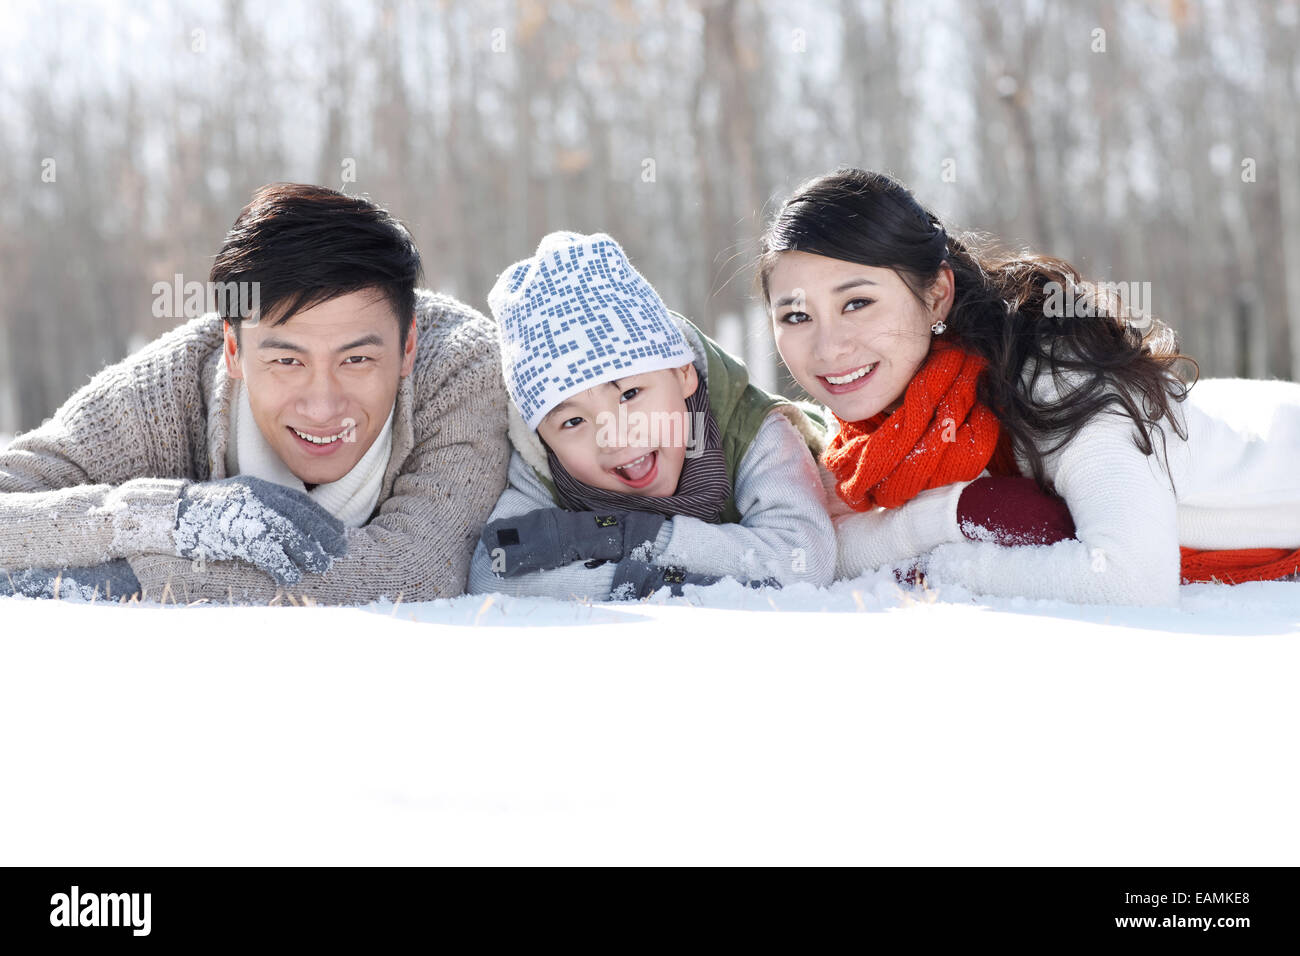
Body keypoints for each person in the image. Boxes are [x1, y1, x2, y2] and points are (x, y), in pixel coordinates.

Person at [759, 167, 1300, 606]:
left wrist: (946, 534)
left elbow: (1128, 581)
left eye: (858, 302)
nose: (829, 349)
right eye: (796, 316)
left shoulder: (1057, 381)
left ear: (937, 296)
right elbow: (830, 552)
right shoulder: (872, 437)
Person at [0, 183, 509, 604]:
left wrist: (132, 584)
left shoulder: (462, 369)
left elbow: (414, 575)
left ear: (408, 345)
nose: (323, 406)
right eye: (287, 361)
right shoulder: (161, 394)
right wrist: (169, 517)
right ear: (234, 350)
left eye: (356, 360)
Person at [467, 231, 834, 600]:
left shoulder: (749, 428)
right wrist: (650, 584)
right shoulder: (543, 463)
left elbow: (805, 559)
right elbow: (495, 572)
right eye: (573, 421)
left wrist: (630, 537)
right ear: (543, 436)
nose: (616, 436)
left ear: (683, 373)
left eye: (629, 394)